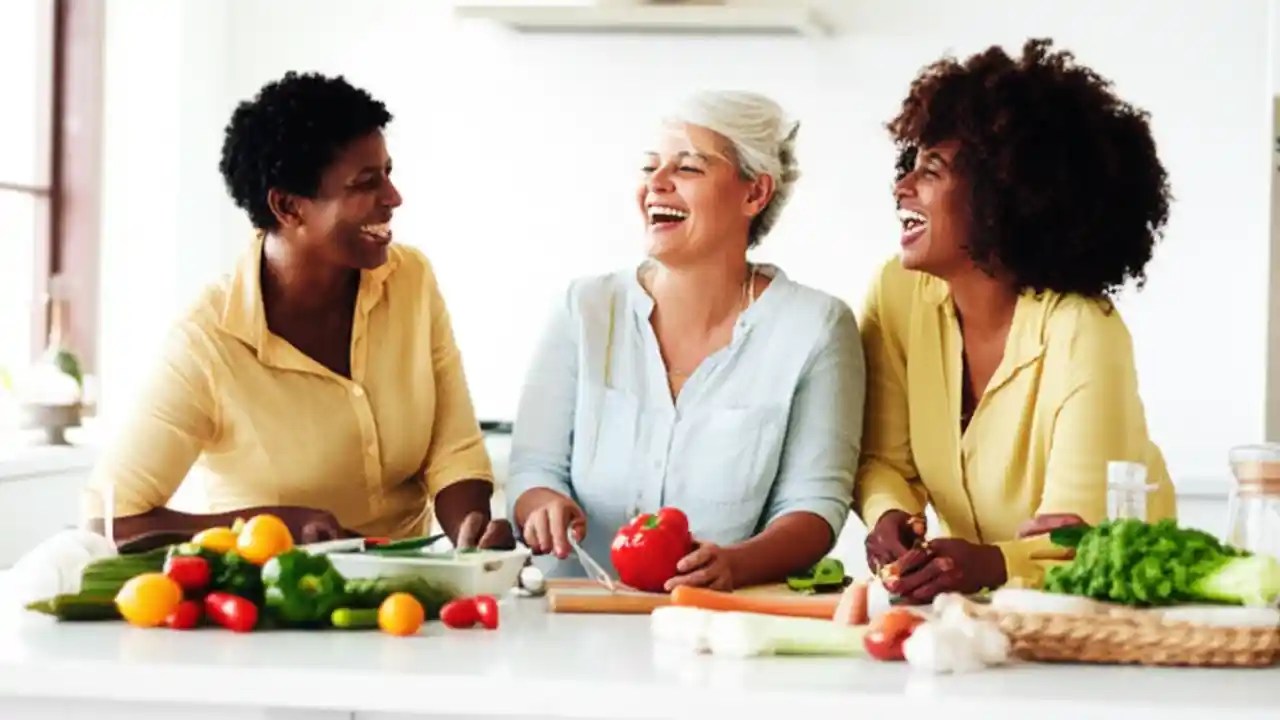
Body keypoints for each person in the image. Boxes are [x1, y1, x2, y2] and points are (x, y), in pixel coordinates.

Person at [81, 72, 511, 549]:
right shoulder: (207, 342)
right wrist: (269, 524)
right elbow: (108, 521)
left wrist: (472, 539)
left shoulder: (411, 281)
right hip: (273, 608)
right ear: (288, 206)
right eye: (367, 183)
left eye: (388, 172)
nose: (393, 198)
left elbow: (452, 451)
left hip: (408, 606)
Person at [855, 39, 1177, 603]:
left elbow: (1080, 539)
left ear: (1001, 193)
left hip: (1117, 606)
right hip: (983, 615)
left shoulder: (1084, 331)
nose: (902, 187)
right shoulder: (896, 293)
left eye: (931, 168)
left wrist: (993, 563)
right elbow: (884, 461)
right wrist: (889, 517)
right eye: (910, 165)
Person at [507, 91, 865, 591]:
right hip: (576, 613)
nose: (656, 184)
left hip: (722, 624)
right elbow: (533, 469)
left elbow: (815, 505)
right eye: (650, 166)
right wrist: (541, 502)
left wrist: (738, 563)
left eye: (689, 168)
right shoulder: (584, 309)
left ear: (754, 193)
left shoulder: (816, 327)